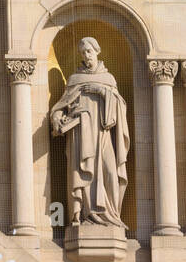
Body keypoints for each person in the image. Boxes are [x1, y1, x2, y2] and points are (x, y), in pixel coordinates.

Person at [51, 36, 130, 229]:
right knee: (82, 174)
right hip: (81, 137)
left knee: (111, 172)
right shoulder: (74, 80)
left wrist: (101, 91)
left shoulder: (108, 79)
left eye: (89, 51)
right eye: (83, 53)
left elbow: (121, 107)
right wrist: (56, 119)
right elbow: (60, 106)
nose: (87, 56)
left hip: (103, 135)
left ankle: (111, 215)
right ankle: (85, 215)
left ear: (97, 51)